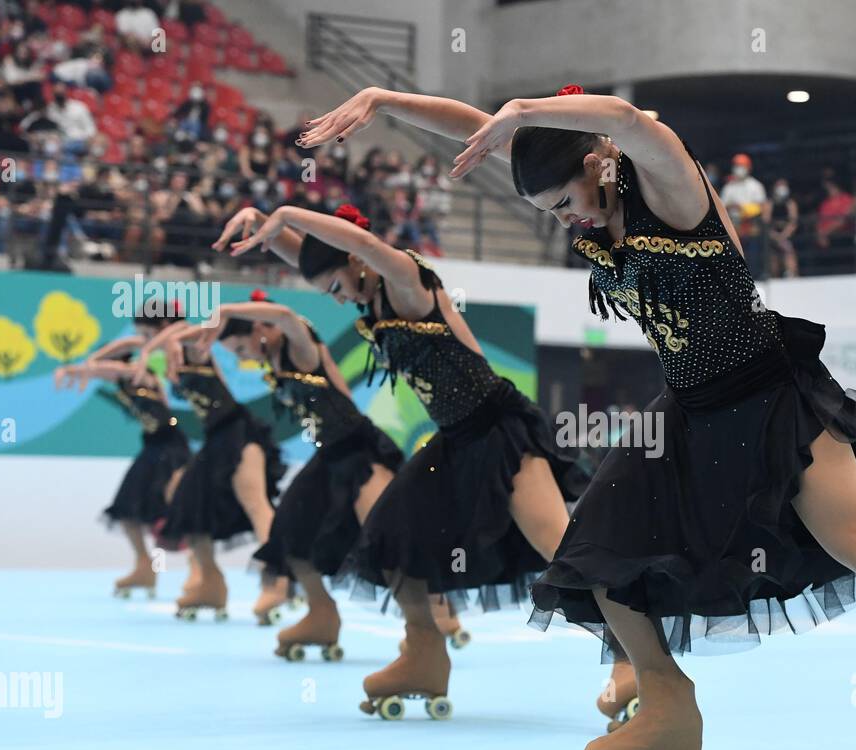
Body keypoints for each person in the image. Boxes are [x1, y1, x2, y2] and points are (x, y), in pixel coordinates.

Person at [297, 85, 856, 750]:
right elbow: (487, 132)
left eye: (567, 201)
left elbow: (630, 122)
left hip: (768, 398)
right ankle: (666, 708)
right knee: (598, 558)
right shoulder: (586, 184)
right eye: (550, 212)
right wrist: (382, 100)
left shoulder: (672, 186)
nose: (566, 221)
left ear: (599, 163)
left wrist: (527, 108)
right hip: (689, 416)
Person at [220, 201, 602, 719]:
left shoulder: (404, 279)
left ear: (355, 263)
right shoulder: (365, 289)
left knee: (562, 551)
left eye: (336, 286)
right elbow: (322, 257)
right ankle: (423, 654)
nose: (337, 299)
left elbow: (363, 246)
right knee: (389, 536)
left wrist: (286, 211)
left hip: (498, 433)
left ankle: (637, 659)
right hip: (452, 441)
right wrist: (264, 228)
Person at [191, 293, 404, 660]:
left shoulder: (300, 347)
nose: (244, 357)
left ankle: (432, 617)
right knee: (288, 533)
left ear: (261, 326)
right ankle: (321, 614)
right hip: (328, 456)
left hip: (360, 450)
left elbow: (287, 314)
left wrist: (228, 310)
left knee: (385, 539)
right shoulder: (271, 358)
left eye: (242, 347)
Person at [132, 315, 291, 624]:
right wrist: (149, 348)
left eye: (148, 331)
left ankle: (279, 579)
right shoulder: (172, 348)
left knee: (256, 503)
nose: (144, 339)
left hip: (237, 433)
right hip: (214, 438)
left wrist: (155, 347)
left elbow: (181, 330)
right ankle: (211, 583)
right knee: (188, 508)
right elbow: (152, 341)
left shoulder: (194, 345)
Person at [53, 311, 193, 601]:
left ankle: (200, 568)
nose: (143, 341)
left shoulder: (144, 373)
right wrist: (85, 365)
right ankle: (144, 566)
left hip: (172, 446)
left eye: (146, 334)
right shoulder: (125, 371)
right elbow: (116, 354)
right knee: (126, 509)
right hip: (152, 446)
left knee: (177, 508)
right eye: (140, 336)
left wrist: (85, 368)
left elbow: (116, 366)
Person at [718, 153, 768, 279]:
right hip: (734, 225)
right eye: (737, 165)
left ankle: (755, 275)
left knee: (753, 253)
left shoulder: (756, 186)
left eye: (742, 165)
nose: (738, 168)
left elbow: (761, 207)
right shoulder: (728, 188)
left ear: (748, 167)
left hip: (751, 224)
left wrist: (742, 209)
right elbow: (722, 208)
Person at [767, 177, 798, 278]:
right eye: (780, 185)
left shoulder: (790, 203)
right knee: (772, 258)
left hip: (786, 235)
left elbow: (793, 223)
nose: (782, 188)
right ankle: (774, 277)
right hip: (772, 235)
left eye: (784, 185)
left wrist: (783, 236)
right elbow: (765, 223)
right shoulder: (769, 203)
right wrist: (775, 236)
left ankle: (791, 275)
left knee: (788, 250)